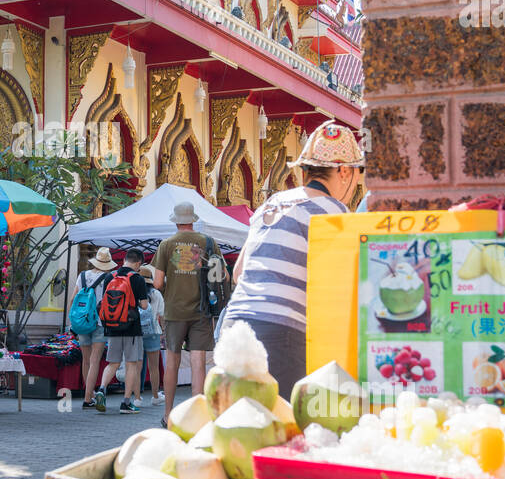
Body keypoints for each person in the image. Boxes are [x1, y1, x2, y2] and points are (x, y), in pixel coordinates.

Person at [219, 121, 364, 399]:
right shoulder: (334, 213)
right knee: (281, 424)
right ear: (344, 171)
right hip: (281, 333)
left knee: (237, 422)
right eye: (358, 173)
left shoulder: (271, 204)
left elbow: (239, 273)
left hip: (234, 325)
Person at [151, 201, 220, 428]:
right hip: (201, 310)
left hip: (174, 310)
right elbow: (222, 276)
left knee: (172, 362)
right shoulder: (208, 243)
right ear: (193, 219)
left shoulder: (166, 244)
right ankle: (197, 416)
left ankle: (169, 415)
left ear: (176, 220)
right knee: (199, 363)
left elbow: (158, 282)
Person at [92, 250, 149, 413]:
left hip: (113, 326)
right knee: (131, 364)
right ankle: (125, 403)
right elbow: (144, 305)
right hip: (132, 328)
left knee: (113, 363)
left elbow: (104, 302)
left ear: (124, 260)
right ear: (138, 263)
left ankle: (102, 389)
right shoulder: (137, 279)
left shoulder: (110, 276)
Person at [76, 248, 115, 409]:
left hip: (82, 322)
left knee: (86, 360)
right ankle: (87, 398)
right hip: (99, 322)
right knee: (94, 361)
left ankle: (89, 394)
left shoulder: (82, 276)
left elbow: (74, 298)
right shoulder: (109, 277)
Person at [138, 263, 165, 407]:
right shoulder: (157, 294)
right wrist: (164, 331)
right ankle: (155, 396)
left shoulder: (134, 292)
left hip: (137, 332)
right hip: (154, 332)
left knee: (136, 365)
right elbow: (162, 315)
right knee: (153, 367)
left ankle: (137, 397)